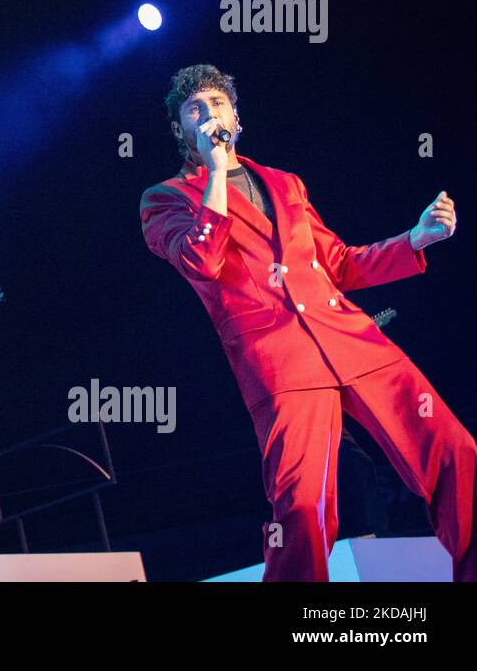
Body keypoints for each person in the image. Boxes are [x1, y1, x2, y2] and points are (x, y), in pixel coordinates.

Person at [139, 63, 472, 581]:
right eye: (194, 109)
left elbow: (338, 263)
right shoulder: (166, 199)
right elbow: (201, 262)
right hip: (281, 364)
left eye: (217, 103)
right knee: (301, 507)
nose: (209, 114)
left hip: (352, 340)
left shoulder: (284, 182)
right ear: (180, 130)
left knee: (453, 450)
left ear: (237, 117)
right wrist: (215, 175)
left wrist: (414, 240)